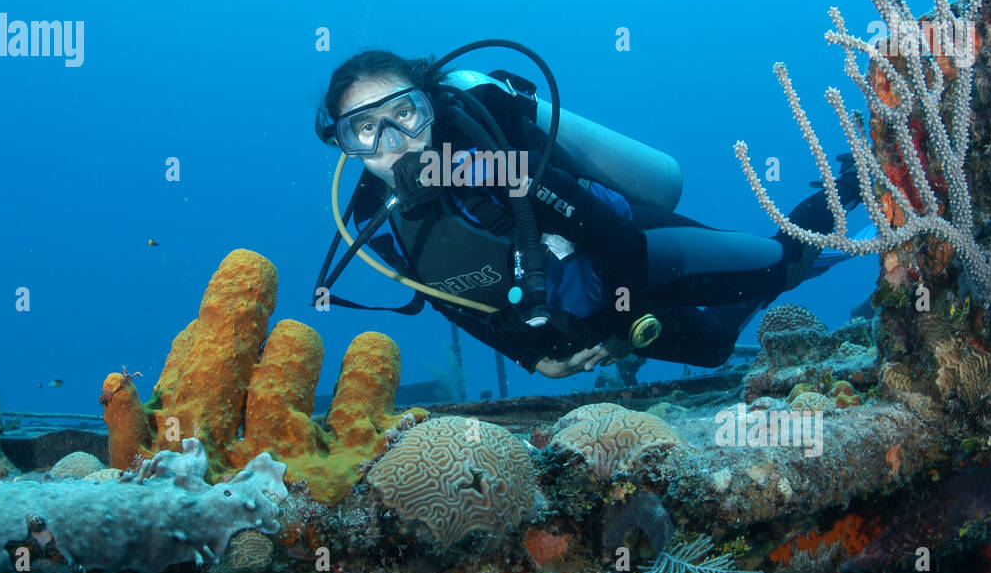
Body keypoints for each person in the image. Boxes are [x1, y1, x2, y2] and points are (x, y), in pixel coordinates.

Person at [314, 48, 859, 380]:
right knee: (715, 348)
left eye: (405, 114)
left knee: (781, 261)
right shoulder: (376, 222)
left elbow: (618, 240)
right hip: (587, 314)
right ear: (346, 146)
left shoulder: (492, 161)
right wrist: (533, 359)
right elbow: (450, 304)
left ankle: (853, 181)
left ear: (428, 106)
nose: (395, 142)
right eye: (366, 129)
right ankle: (750, 299)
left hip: (647, 254)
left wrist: (623, 325)